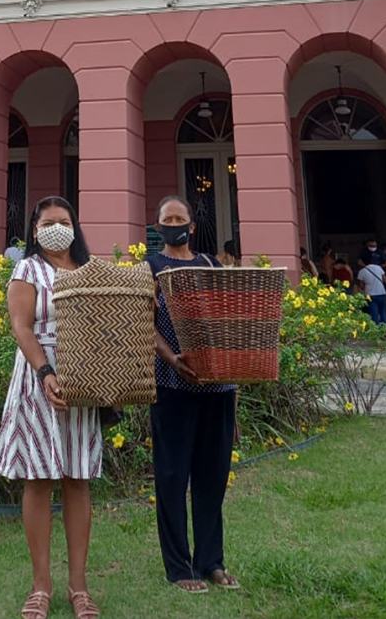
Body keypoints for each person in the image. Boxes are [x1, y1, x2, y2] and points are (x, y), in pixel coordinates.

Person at [0, 196, 101, 619]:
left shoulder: (89, 271)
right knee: (38, 478)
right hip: (40, 378)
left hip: (83, 381)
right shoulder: (28, 269)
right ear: (35, 230)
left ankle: (79, 587)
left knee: (77, 478)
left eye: (64, 220)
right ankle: (41, 586)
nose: (57, 227)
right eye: (48, 222)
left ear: (75, 226)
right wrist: (44, 372)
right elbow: (20, 325)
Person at [146, 195, 240, 594]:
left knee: (212, 478)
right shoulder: (149, 267)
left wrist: (234, 405)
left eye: (179, 218)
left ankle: (211, 562)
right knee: (172, 477)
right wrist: (171, 358)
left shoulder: (210, 265)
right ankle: (179, 568)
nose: (174, 224)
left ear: (192, 226)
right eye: (167, 219)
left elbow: (228, 322)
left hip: (217, 387)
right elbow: (142, 324)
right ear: (158, 226)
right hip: (172, 387)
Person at [357, 259, 386, 325]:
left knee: (374, 313)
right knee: (383, 312)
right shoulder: (379, 268)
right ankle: (385, 329)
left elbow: (362, 286)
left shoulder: (362, 271)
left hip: (370, 294)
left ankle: (376, 330)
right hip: (382, 293)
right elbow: (385, 280)